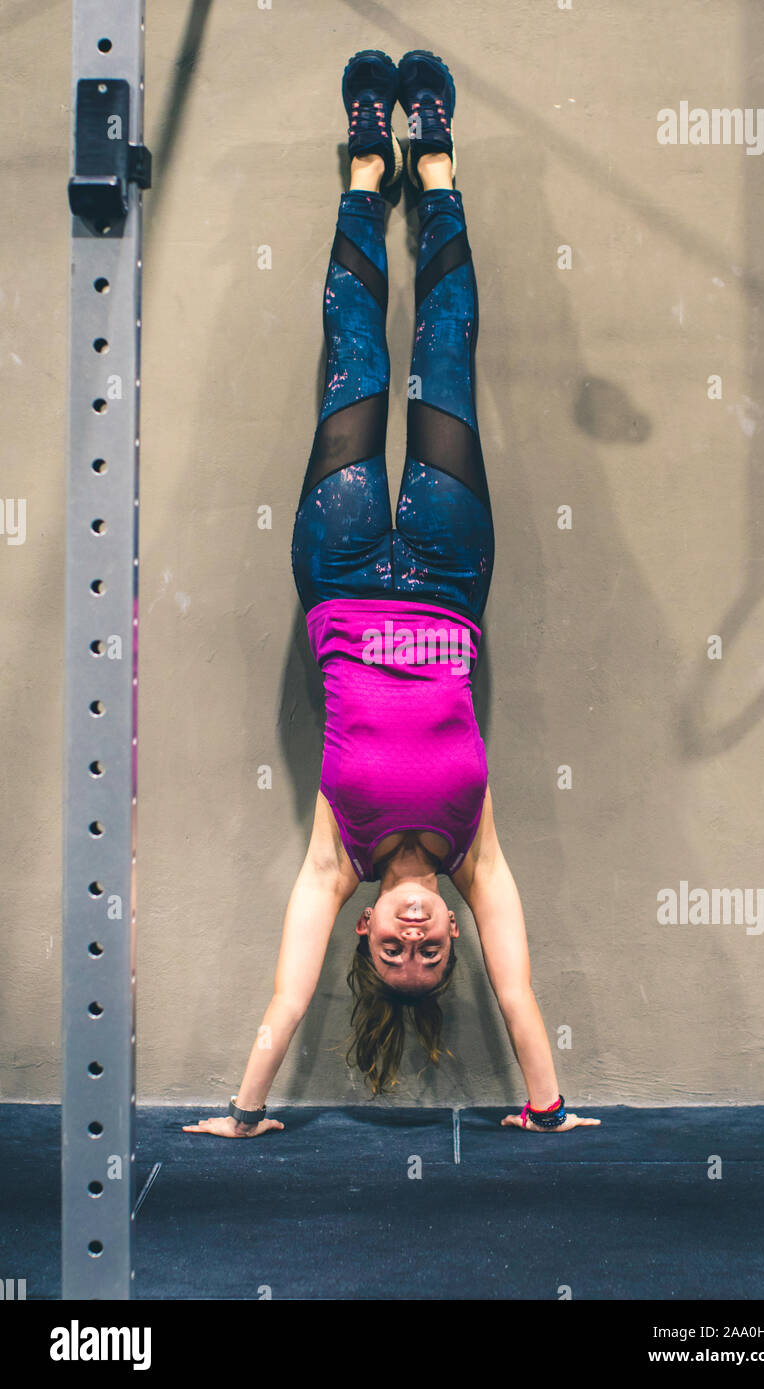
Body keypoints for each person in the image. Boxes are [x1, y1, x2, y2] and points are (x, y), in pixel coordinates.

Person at [184, 50, 600, 1139]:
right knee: (448, 354)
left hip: (340, 564)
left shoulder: (337, 854)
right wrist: (546, 1107)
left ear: (362, 930)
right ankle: (443, 165)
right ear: (450, 937)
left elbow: (283, 997)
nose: (413, 931)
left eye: (392, 947)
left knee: (356, 354)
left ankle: (369, 164)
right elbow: (518, 999)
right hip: (451, 574)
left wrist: (242, 1112)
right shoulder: (475, 853)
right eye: (428, 947)